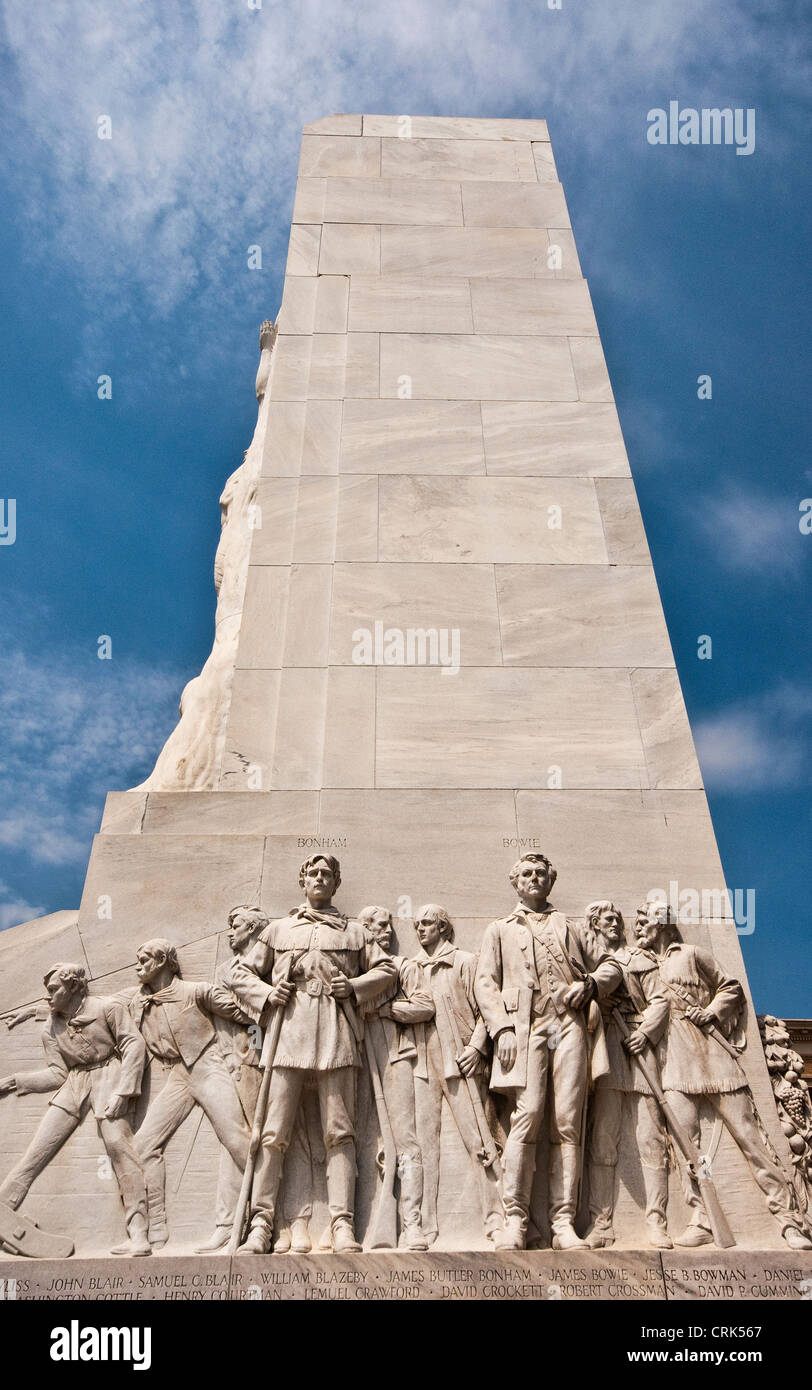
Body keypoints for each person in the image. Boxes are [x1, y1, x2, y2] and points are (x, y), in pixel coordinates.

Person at [227, 855, 396, 1254]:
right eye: (313, 874)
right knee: (271, 1134)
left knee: (341, 1133)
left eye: (327, 875)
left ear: (336, 883)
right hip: (287, 1037)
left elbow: (386, 970)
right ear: (302, 881)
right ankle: (262, 1223)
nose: (319, 879)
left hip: (336, 1038)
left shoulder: (355, 932)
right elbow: (238, 973)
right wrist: (269, 993)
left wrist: (353, 987)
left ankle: (342, 1224)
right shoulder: (277, 929)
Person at [636, 905, 812, 1251]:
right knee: (687, 1147)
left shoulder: (690, 953)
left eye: (645, 920)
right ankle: (701, 1217)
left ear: (663, 923)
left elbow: (730, 987)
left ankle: (789, 1221)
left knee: (751, 1139)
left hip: (715, 1058)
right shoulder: (642, 965)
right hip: (674, 1064)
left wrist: (712, 1011)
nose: (639, 925)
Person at [475, 854, 622, 1250]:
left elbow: (611, 965)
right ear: (515, 882)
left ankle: (562, 1222)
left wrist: (590, 984)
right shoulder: (499, 929)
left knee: (567, 1122)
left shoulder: (570, 926)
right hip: (524, 1027)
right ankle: (515, 1220)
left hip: (568, 1024)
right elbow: (485, 983)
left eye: (541, 873)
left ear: (551, 881)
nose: (534, 878)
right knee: (528, 1116)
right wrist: (501, 1028)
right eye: (527, 873)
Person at [0, 962, 150, 1256]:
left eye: (54, 989)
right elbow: (57, 1073)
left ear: (74, 987)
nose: (48, 996)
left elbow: (134, 1045)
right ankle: (4, 1207)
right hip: (75, 1084)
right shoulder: (51, 1027)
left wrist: (124, 1090)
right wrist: (17, 1081)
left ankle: (139, 1233)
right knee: (37, 1149)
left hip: (109, 1076)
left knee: (120, 1150)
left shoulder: (107, 1007)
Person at [129, 938, 252, 1247]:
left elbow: (249, 1014)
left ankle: (260, 1214)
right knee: (142, 1146)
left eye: (143, 960)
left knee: (236, 1139)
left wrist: (254, 1050)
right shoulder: (137, 1003)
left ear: (160, 962)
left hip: (209, 1066)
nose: (137, 966)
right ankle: (155, 1227)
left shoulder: (197, 992)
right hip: (178, 1075)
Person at [412, 903, 503, 1246]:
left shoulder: (464, 962)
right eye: (417, 925)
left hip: (461, 1062)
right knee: (425, 1145)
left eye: (428, 924)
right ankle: (425, 1223)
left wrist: (478, 1047)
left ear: (443, 928)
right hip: (423, 1064)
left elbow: (488, 1011)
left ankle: (496, 1218)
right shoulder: (414, 968)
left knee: (480, 1141)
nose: (421, 930)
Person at [582, 901, 672, 1248]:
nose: (616, 924)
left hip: (638, 1049)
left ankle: (657, 1222)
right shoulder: (589, 965)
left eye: (618, 919)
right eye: (609, 920)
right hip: (604, 1050)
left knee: (651, 1139)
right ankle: (601, 1222)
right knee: (602, 1139)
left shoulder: (640, 959)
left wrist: (646, 1032)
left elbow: (661, 999)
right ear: (595, 925)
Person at [357, 905, 434, 1250]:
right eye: (377, 927)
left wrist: (386, 1010)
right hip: (356, 1061)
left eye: (388, 926)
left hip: (395, 1057)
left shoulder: (404, 966)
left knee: (405, 1142)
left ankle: (412, 1224)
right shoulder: (352, 972)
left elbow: (425, 1005)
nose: (386, 932)